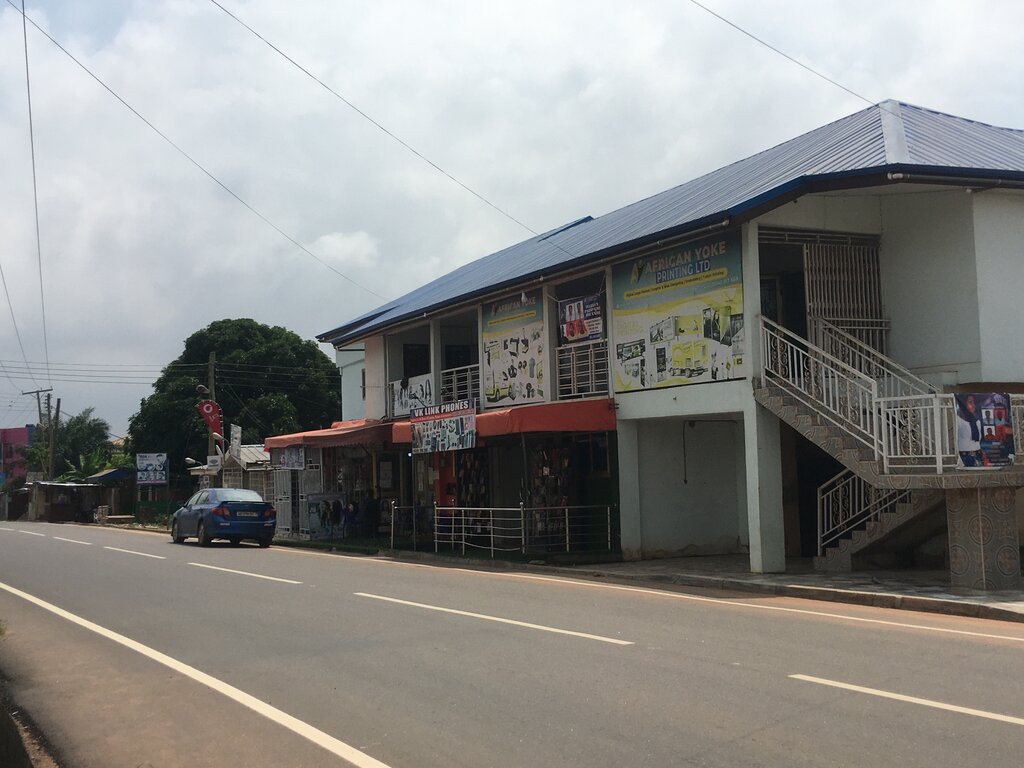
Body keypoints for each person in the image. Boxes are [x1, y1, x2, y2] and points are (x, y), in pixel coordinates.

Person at [955, 394, 987, 468]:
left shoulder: (977, 421)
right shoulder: (958, 420)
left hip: (978, 455)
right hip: (965, 456)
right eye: (970, 402)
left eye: (974, 402)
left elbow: (978, 439)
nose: (973, 405)